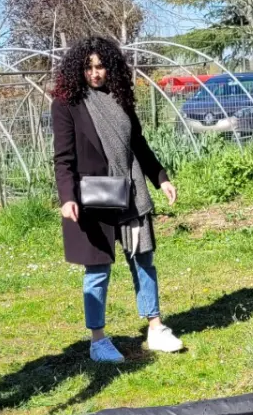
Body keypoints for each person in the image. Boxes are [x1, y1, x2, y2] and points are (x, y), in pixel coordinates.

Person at [51, 35, 182, 363]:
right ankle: (98, 341)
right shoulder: (67, 103)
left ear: (111, 67)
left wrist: (161, 178)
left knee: (143, 259)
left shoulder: (120, 97)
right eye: (88, 68)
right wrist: (67, 197)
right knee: (97, 269)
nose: (95, 73)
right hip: (94, 197)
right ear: (78, 70)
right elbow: (63, 157)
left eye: (101, 66)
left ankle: (155, 328)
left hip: (132, 191)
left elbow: (138, 143)